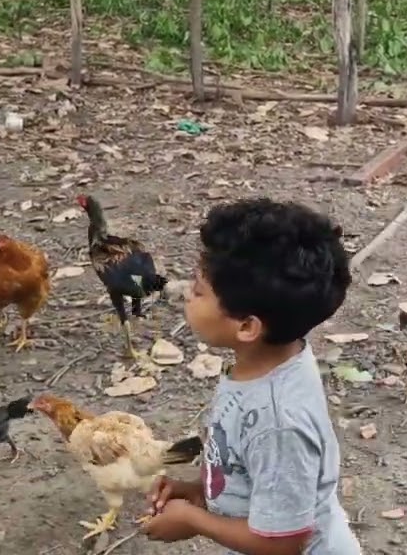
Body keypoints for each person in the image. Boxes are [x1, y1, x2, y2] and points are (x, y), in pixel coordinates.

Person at [141, 198, 360, 555]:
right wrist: (201, 490)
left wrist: (192, 520)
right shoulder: (275, 358)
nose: (186, 294)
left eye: (198, 290)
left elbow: (283, 543)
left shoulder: (278, 422)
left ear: (247, 326)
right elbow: (254, 468)